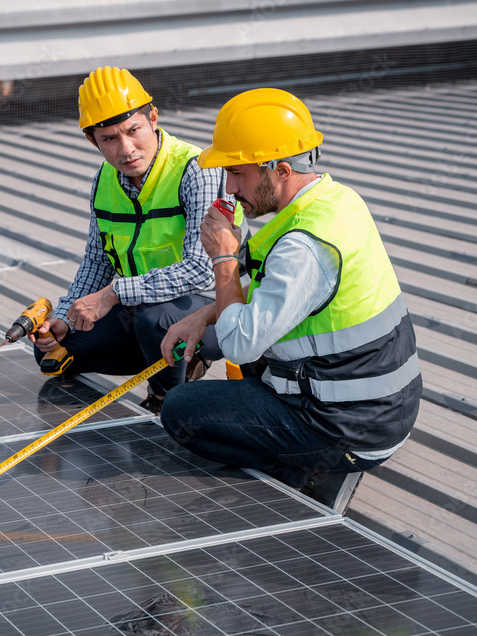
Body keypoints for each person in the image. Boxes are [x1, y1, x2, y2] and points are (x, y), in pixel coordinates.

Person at [158, 88, 422, 513]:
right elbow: (282, 294)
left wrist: (223, 255)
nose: (230, 186)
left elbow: (241, 343)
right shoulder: (335, 201)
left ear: (279, 169)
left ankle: (313, 471)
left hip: (349, 430)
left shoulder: (303, 246)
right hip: (384, 410)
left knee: (181, 410)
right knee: (237, 350)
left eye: (238, 173)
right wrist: (203, 317)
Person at [32, 66, 244, 413]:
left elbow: (203, 271)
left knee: (154, 319)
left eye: (134, 130)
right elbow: (97, 261)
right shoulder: (104, 181)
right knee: (55, 349)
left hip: (212, 310)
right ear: (92, 140)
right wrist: (66, 317)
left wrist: (114, 294)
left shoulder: (196, 170)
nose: (126, 149)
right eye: (109, 139)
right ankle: (157, 358)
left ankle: (168, 398)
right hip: (143, 311)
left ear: (154, 118)